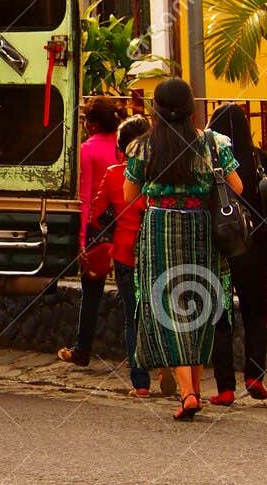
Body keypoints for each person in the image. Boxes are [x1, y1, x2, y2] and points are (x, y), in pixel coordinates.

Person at [124, 77, 245, 422]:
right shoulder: (213, 143)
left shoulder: (142, 148)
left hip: (160, 226)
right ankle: (194, 387)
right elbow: (237, 186)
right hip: (201, 227)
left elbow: (128, 196)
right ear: (192, 107)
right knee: (196, 302)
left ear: (157, 110)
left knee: (167, 304)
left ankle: (188, 392)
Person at [206, 104, 267, 406]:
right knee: (254, 311)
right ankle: (255, 375)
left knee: (220, 315)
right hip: (253, 244)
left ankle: (225, 387)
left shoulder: (209, 157)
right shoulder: (258, 157)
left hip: (220, 243)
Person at [88, 114, 151, 396]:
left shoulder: (115, 173)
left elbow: (97, 215)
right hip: (157, 251)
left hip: (126, 253)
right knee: (162, 312)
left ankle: (140, 383)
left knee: (132, 317)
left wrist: (114, 226)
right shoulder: (161, 171)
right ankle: (168, 369)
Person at [57, 98, 122, 367]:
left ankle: (82, 349)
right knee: (133, 292)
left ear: (93, 124)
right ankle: (138, 355)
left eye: (85, 120)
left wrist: (81, 239)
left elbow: (84, 197)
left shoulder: (87, 150)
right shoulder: (125, 146)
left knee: (92, 292)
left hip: (98, 226)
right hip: (126, 222)